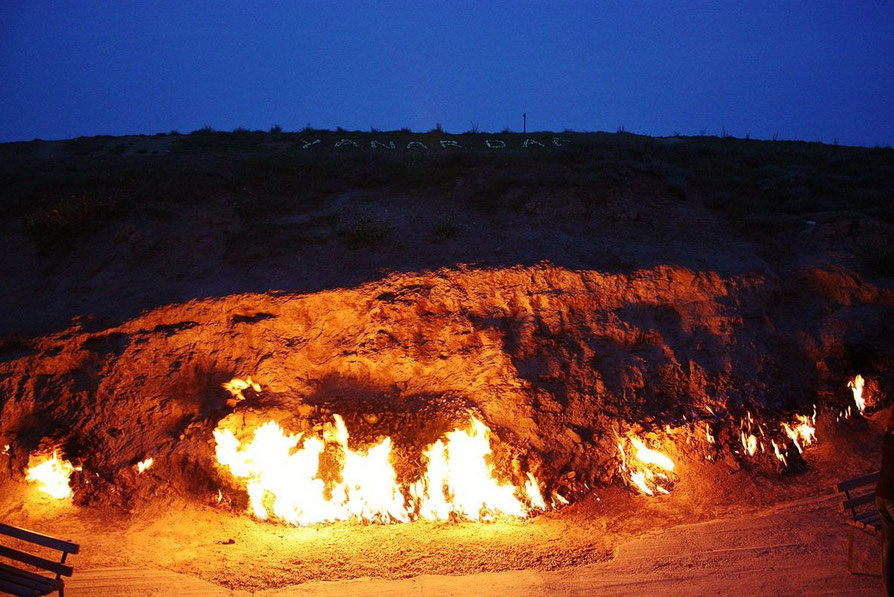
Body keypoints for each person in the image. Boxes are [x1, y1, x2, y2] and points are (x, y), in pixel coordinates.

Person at [877, 406, 894, 595]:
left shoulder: (888, 436)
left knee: (889, 545)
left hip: (881, 495)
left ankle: (890, 588)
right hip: (892, 499)